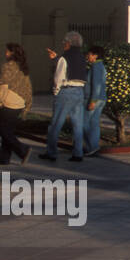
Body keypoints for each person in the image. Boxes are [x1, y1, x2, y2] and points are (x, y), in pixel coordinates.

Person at [43, 30, 88, 161]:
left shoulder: (64, 57)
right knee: (78, 124)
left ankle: (51, 153)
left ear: (68, 43)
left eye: (64, 42)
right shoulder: (81, 57)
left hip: (66, 91)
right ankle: (78, 153)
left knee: (56, 124)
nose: (63, 44)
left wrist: (56, 91)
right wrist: (57, 57)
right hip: (79, 91)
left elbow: (59, 77)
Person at [0, 43, 33, 165]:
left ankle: (23, 150)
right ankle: (4, 158)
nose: (5, 53)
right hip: (20, 102)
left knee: (2, 130)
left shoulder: (8, 66)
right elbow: (27, 87)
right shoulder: (22, 66)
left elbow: (4, 86)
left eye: (7, 51)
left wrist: (0, 101)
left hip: (9, 101)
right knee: (8, 131)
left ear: (12, 53)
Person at [83, 45, 107, 157]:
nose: (87, 56)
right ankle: (94, 147)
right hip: (101, 98)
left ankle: (91, 146)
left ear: (95, 55)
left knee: (84, 123)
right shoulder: (101, 66)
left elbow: (96, 85)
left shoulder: (96, 66)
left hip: (95, 98)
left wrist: (93, 100)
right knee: (94, 123)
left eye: (89, 54)